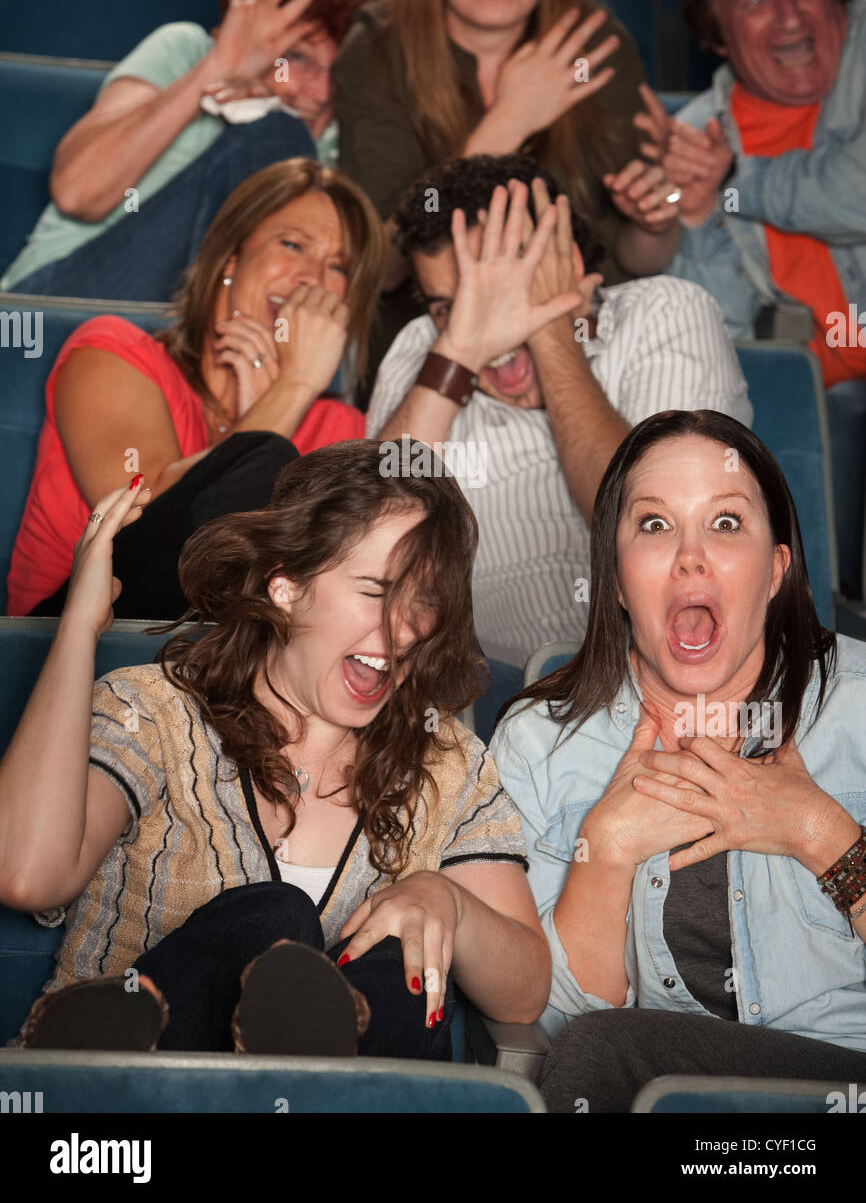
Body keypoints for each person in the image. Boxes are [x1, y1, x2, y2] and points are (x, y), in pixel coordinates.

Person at [0, 442, 550, 1059]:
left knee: (397, 966)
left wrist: (448, 903)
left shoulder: (447, 763)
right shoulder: (149, 712)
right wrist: (80, 622)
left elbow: (523, 996)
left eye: (424, 603)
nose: (405, 630)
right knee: (274, 920)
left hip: (334, 1104)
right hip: (132, 1120)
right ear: (285, 585)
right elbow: (26, 875)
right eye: (375, 590)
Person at [490, 409, 866, 1113]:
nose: (691, 556)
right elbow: (539, 1026)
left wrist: (818, 831)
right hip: (673, 1114)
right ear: (617, 579)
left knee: (611, 1053)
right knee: (600, 1050)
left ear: (777, 568)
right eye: (655, 525)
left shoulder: (861, 707)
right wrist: (605, 849)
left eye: (726, 524)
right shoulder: (540, 740)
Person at [366, 155, 751, 681]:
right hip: (487, 706)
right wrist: (457, 352)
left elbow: (651, 523)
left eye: (495, 292)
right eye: (446, 308)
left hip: (674, 682)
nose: (486, 328)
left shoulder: (667, 312)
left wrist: (548, 324)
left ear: (559, 262)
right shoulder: (423, 353)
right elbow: (367, 546)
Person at [334, 0, 682, 388]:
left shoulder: (598, 44)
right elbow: (383, 269)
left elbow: (635, 259)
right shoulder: (376, 48)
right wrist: (508, 122)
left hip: (578, 351)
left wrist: (656, 221)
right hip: (434, 358)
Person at [7, 158, 383, 619]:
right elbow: (151, 530)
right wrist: (290, 390)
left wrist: (274, 404)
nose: (312, 278)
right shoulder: (111, 353)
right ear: (231, 257)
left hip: (230, 659)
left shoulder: (341, 428)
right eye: (292, 245)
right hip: (82, 638)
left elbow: (315, 603)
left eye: (338, 268)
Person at [637, 0, 866, 593]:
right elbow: (718, 343)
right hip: (823, 407)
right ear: (716, 33)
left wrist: (739, 180)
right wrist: (702, 213)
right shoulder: (698, 140)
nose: (791, 16)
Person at [2, 0, 370, 301]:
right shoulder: (186, 51)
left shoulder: (328, 133)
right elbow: (76, 193)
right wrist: (213, 73)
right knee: (276, 134)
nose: (321, 93)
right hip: (59, 301)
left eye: (334, 72)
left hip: (184, 331)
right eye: (298, 58)